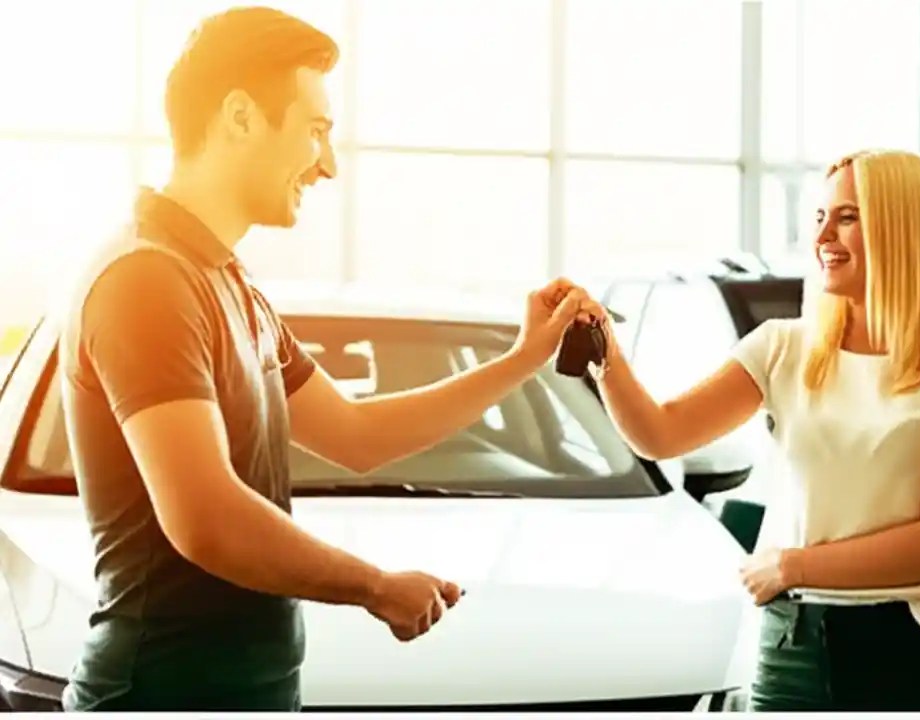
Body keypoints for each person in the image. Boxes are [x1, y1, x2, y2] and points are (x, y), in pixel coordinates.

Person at [57, 7, 592, 712]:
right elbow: (205, 519)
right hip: (163, 691)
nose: (329, 165)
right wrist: (375, 587)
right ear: (241, 117)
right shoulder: (146, 281)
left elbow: (356, 435)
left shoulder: (225, 280)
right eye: (315, 131)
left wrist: (524, 359)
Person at [577, 148, 920, 711]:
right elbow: (659, 434)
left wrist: (792, 565)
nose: (824, 235)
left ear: (904, 229)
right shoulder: (781, 347)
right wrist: (602, 348)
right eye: (819, 217)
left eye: (849, 217)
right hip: (793, 651)